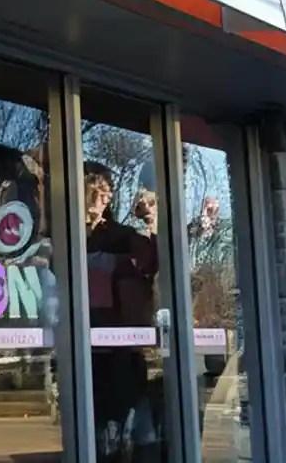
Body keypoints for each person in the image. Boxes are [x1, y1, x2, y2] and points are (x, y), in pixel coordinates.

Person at [84, 163, 161, 463]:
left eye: (108, 193)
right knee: (96, 430)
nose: (104, 199)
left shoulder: (120, 234)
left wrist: (153, 222)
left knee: (132, 429)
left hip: (120, 346)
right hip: (85, 346)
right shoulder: (61, 232)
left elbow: (150, 261)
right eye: (97, 192)